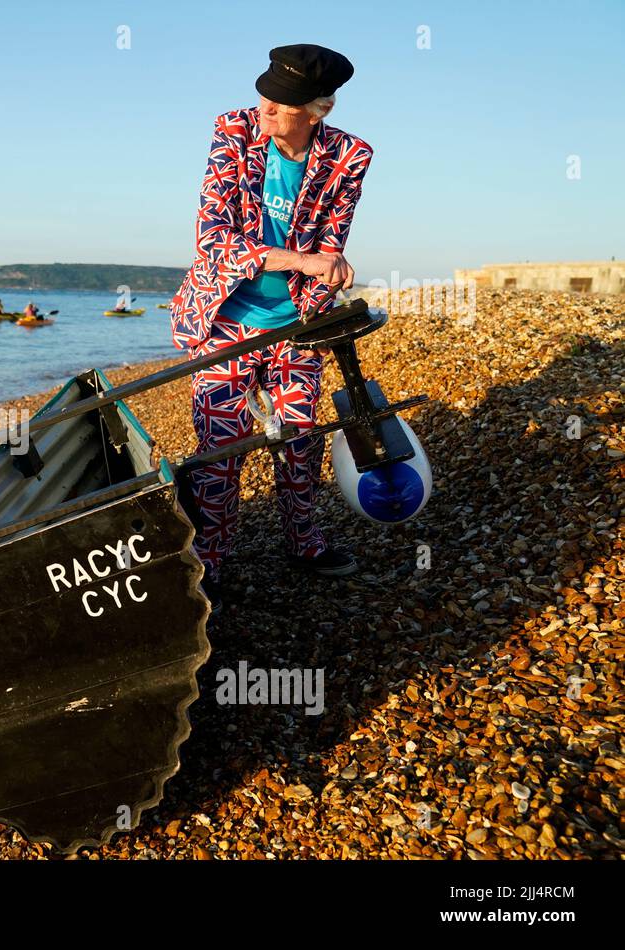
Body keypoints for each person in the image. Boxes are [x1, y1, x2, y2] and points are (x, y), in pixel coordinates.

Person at [168, 44, 369, 607]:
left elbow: (332, 239)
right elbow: (215, 239)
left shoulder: (349, 155)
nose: (266, 110)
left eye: (281, 104)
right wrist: (301, 260)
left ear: (317, 111)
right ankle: (212, 556)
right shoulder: (233, 131)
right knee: (220, 449)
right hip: (224, 320)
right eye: (265, 97)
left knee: (299, 438)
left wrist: (330, 268)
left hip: (294, 325)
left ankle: (304, 542)